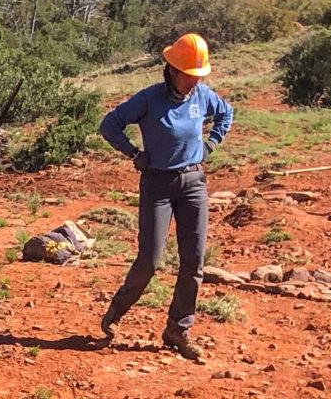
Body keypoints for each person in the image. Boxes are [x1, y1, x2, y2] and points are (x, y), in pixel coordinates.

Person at [96, 34, 234, 362]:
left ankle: (178, 330)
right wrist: (133, 152)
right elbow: (109, 125)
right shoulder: (149, 99)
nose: (194, 81)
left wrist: (211, 145)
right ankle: (116, 311)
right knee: (150, 259)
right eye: (189, 74)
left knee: (193, 262)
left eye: (198, 76)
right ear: (172, 70)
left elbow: (226, 114)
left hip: (193, 183)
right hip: (157, 185)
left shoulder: (202, 95)